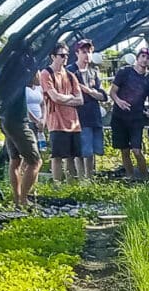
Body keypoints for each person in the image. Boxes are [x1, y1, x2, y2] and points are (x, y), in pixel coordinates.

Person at [0, 51, 42, 208]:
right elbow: (36, 81)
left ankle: (17, 200)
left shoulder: (4, 66)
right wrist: (33, 61)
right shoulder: (21, 69)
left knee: (15, 160)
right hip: (17, 120)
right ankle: (23, 201)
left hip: (5, 117)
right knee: (35, 162)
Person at [110, 47, 149, 179]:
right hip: (119, 117)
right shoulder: (124, 72)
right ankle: (130, 177)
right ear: (137, 57)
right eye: (143, 56)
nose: (145, 60)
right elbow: (112, 92)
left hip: (137, 118)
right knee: (124, 150)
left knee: (137, 151)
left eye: (148, 58)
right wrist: (119, 101)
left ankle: (145, 179)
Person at [40, 43, 83, 183]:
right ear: (53, 56)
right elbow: (55, 97)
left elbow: (80, 100)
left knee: (73, 155)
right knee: (57, 156)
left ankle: (72, 184)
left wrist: (66, 99)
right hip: (56, 121)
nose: (65, 58)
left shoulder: (71, 76)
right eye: (62, 55)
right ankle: (57, 185)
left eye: (66, 55)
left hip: (73, 123)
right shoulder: (46, 73)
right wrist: (70, 98)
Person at [69, 39, 106, 179]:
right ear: (77, 53)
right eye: (84, 52)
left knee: (92, 150)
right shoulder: (70, 71)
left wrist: (89, 91)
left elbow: (102, 95)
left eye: (89, 52)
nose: (87, 55)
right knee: (81, 150)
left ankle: (90, 178)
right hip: (78, 117)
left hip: (94, 116)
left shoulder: (94, 72)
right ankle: (81, 178)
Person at [25, 71, 45, 150]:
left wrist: (43, 120)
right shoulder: (24, 89)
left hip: (39, 123)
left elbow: (43, 104)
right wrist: (36, 120)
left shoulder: (39, 88)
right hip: (29, 122)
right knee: (30, 149)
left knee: (39, 149)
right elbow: (24, 107)